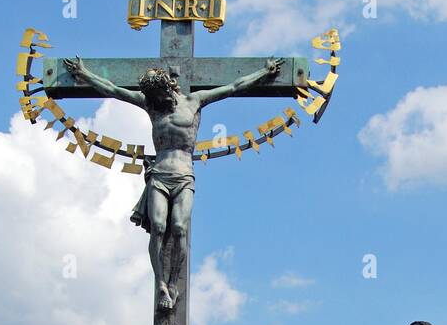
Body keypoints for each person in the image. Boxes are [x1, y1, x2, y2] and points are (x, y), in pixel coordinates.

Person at [62, 56, 282, 311]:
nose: (159, 103)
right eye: (154, 99)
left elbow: (234, 87)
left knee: (178, 227)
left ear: (171, 89)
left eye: (161, 97)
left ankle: (174, 283)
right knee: (157, 226)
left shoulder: (194, 101)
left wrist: (264, 73)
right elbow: (113, 90)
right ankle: (161, 285)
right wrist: (85, 74)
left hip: (183, 176)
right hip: (159, 175)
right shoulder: (151, 105)